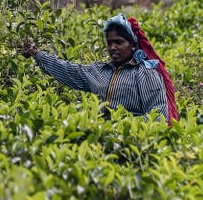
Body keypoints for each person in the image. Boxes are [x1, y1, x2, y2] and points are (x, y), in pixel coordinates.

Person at [21, 13, 178, 124]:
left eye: (118, 42)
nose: (113, 47)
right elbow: (68, 71)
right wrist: (37, 54)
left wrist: (120, 126)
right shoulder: (99, 71)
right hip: (102, 139)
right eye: (109, 43)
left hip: (134, 142)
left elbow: (158, 117)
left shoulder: (145, 73)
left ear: (132, 44)